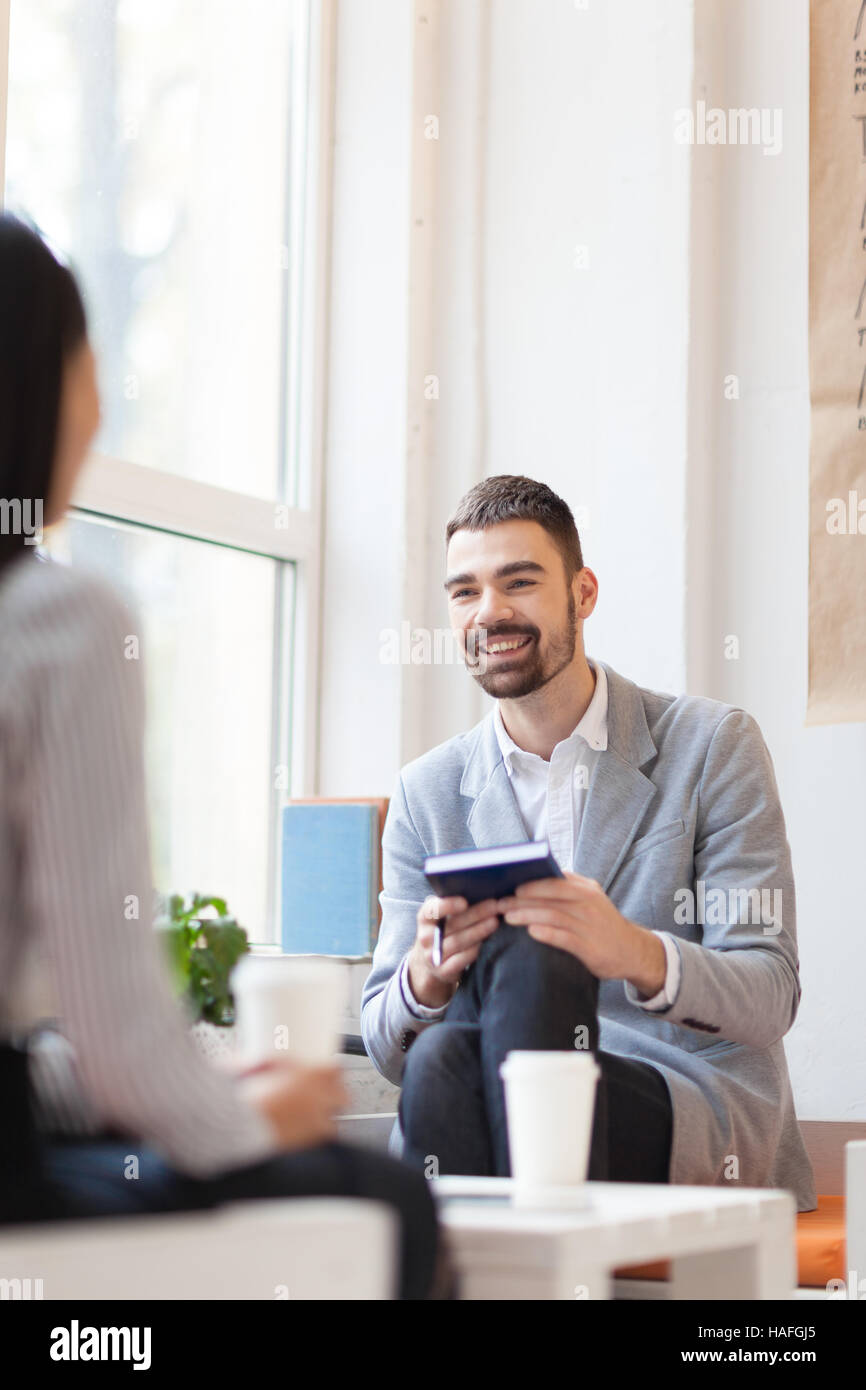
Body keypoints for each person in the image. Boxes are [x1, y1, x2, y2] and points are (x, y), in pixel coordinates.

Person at [0, 214, 441, 1300]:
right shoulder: (61, 621)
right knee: (382, 1199)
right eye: (85, 363)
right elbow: (115, 1040)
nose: (98, 408)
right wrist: (244, 1112)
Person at [362, 474, 817, 1212]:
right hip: (478, 1093)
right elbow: (387, 1045)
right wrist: (425, 977)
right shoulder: (427, 791)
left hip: (675, 1093)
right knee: (441, 1052)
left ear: (583, 594)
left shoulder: (711, 746)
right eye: (465, 591)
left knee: (531, 959)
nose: (490, 612)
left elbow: (768, 994)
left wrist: (632, 951)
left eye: (519, 582)